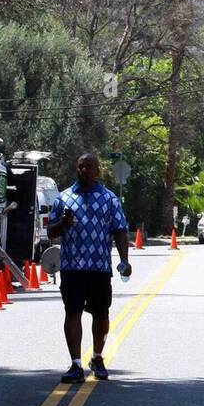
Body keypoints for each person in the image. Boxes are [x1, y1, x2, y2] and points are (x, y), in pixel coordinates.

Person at [47, 153, 131, 383]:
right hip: (72, 267)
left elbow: (120, 231)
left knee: (101, 315)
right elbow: (50, 232)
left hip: (99, 268)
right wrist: (62, 224)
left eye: (88, 166)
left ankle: (97, 357)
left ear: (97, 171)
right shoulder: (63, 198)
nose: (83, 170)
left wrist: (124, 261)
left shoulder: (110, 199)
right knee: (72, 312)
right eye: (80, 166)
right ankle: (76, 364)